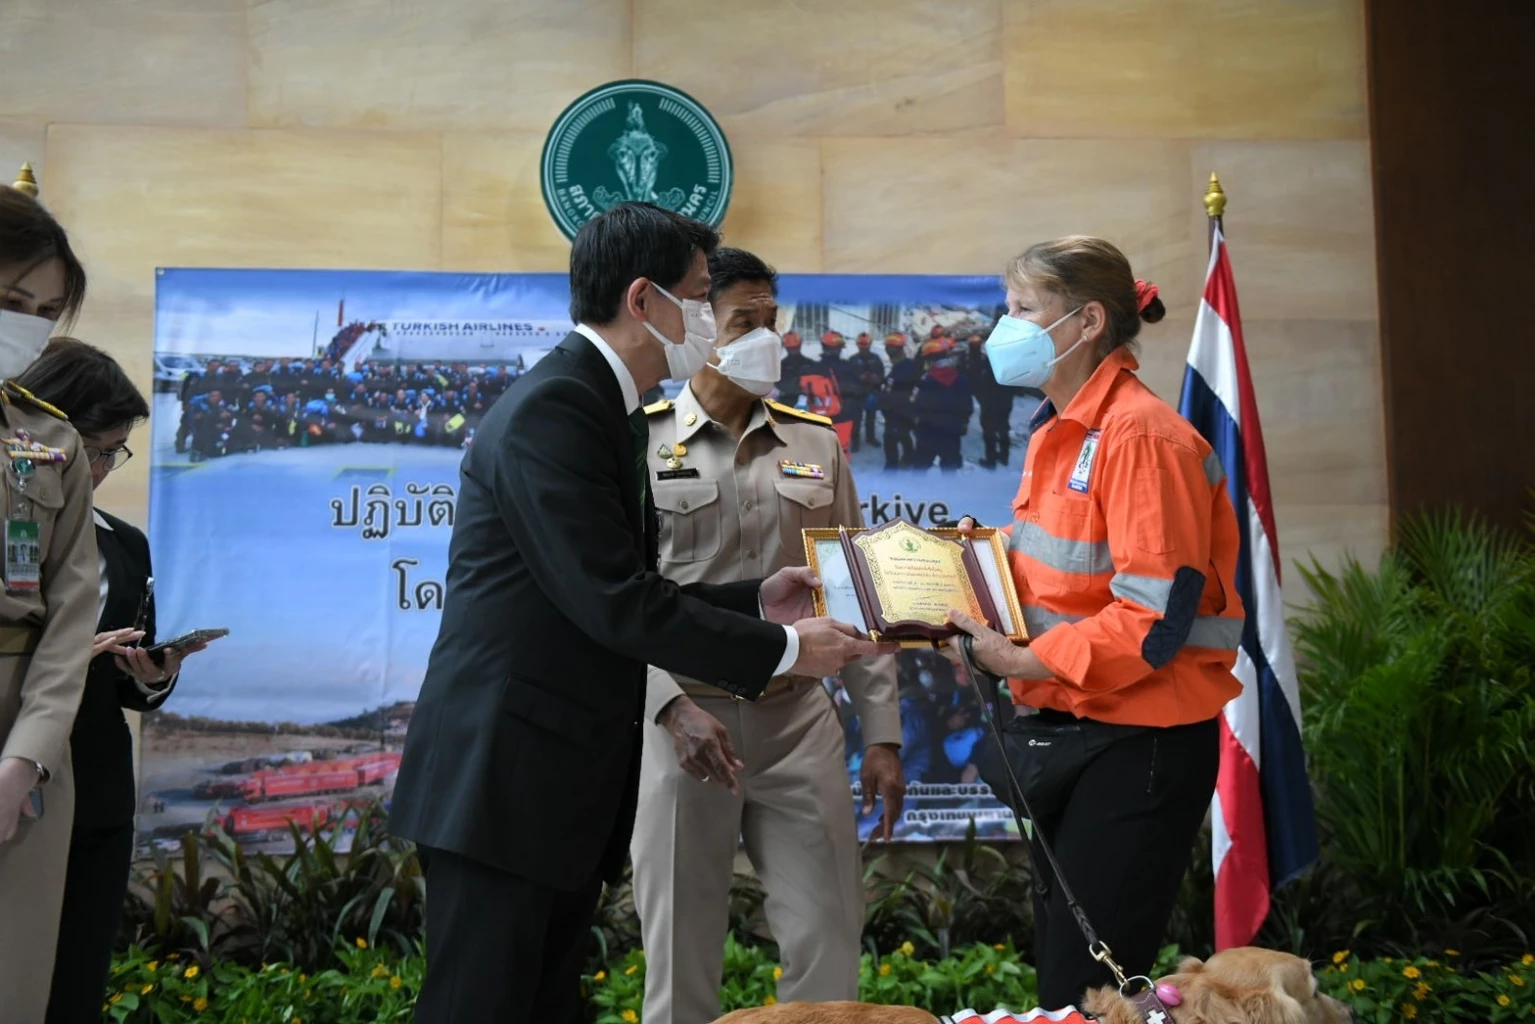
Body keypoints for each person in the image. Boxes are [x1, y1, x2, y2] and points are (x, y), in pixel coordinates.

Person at [387, 203, 894, 1024]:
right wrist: (779, 646)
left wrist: (752, 599)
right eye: (701, 297)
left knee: (541, 1004)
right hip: (506, 779)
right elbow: (613, 602)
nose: (708, 319)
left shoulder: (595, 405)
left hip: (547, 781)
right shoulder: (557, 409)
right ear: (642, 301)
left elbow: (621, 583)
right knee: (478, 1005)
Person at [945, 236, 1244, 1010]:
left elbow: (1152, 621)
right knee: (1071, 983)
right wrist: (954, 604)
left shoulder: (1142, 437)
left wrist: (1018, 660)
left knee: (1092, 990)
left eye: (1019, 310)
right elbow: (1049, 578)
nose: (999, 328)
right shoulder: (1061, 428)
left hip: (1137, 740)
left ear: (1084, 323)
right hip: (1078, 732)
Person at [633, 248, 906, 1024]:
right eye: (741, 322)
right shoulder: (640, 442)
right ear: (698, 329)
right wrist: (663, 706)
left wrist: (879, 732)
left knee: (828, 940)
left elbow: (855, 590)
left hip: (798, 722)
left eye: (771, 321)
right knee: (680, 955)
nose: (766, 339)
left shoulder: (815, 443)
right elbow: (616, 599)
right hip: (685, 721)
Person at [13, 339, 214, 1023]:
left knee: (74, 982)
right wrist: (60, 649)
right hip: (13, 781)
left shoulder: (124, 543)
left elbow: (128, 690)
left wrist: (153, 677)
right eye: (94, 449)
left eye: (114, 453)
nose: (100, 469)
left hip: (95, 789)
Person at [0, 183, 101, 1023]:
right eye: (8, 299)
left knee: (13, 981)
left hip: (21, 740)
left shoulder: (50, 440)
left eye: (43, 309)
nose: (26, 323)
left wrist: (27, 755)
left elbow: (72, 613)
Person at [911, 336, 972, 472]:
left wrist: (915, 421)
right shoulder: (959, 378)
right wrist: (963, 422)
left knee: (920, 467)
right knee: (949, 468)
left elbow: (917, 403)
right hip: (951, 430)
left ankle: (915, 491)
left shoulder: (926, 379)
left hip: (928, 430)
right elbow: (967, 404)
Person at [879, 333, 918, 469]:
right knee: (903, 435)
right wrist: (881, 381)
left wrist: (884, 398)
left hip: (899, 411)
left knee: (890, 440)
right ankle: (909, 457)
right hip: (898, 411)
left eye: (890, 348)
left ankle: (891, 470)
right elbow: (894, 384)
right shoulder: (899, 367)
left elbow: (901, 390)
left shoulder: (906, 367)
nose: (888, 351)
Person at [848, 332, 886, 449]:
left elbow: (882, 375)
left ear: (870, 344)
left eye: (866, 344)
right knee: (856, 418)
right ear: (857, 344)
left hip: (872, 392)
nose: (863, 346)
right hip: (857, 394)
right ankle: (855, 441)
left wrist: (875, 379)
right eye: (861, 344)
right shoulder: (852, 359)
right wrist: (860, 377)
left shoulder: (876, 359)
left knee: (871, 417)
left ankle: (871, 438)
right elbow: (848, 377)